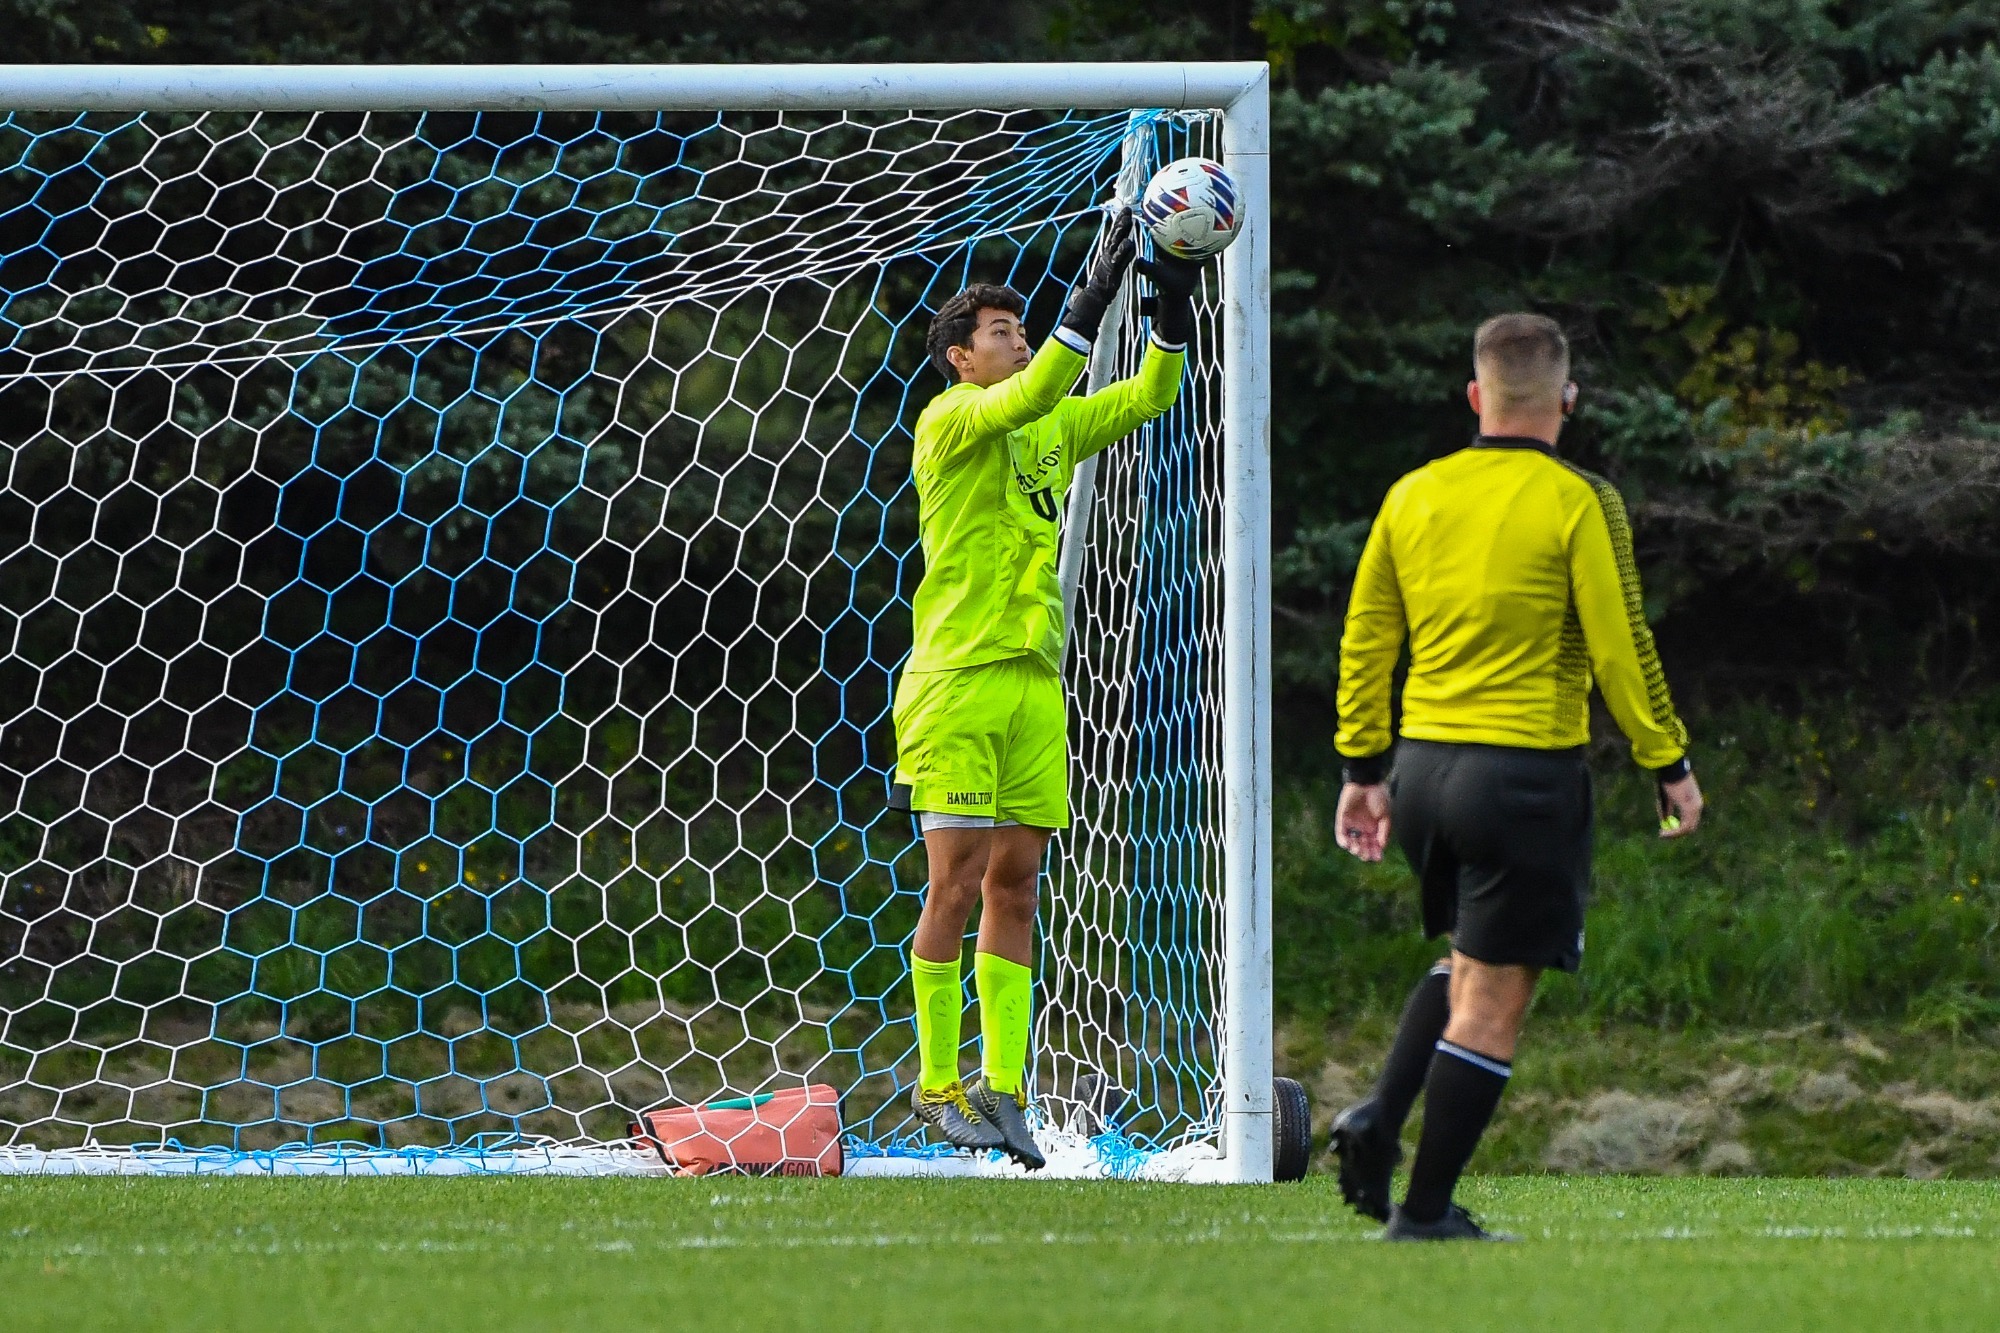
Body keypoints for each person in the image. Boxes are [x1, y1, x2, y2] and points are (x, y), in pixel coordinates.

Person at [1328, 313, 1705, 1239]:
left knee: (1467, 960)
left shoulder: (1413, 493)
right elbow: (1623, 645)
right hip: (1522, 776)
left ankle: (1378, 1119)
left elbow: (1368, 637)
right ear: (1565, 401)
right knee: (1495, 1001)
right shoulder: (1579, 500)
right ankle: (1422, 1213)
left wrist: (1362, 770)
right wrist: (1669, 759)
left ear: (1474, 396)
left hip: (1422, 772)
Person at [890, 210, 1204, 1168]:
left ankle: (1005, 1084)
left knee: (1018, 884)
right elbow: (1034, 395)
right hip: (956, 682)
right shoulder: (951, 420)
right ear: (957, 358)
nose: (1017, 339)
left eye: (1024, 329)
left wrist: (1169, 297)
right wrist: (1091, 293)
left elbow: (1150, 392)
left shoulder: (1047, 418)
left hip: (1034, 685)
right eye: (1000, 333)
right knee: (956, 878)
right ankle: (936, 1081)